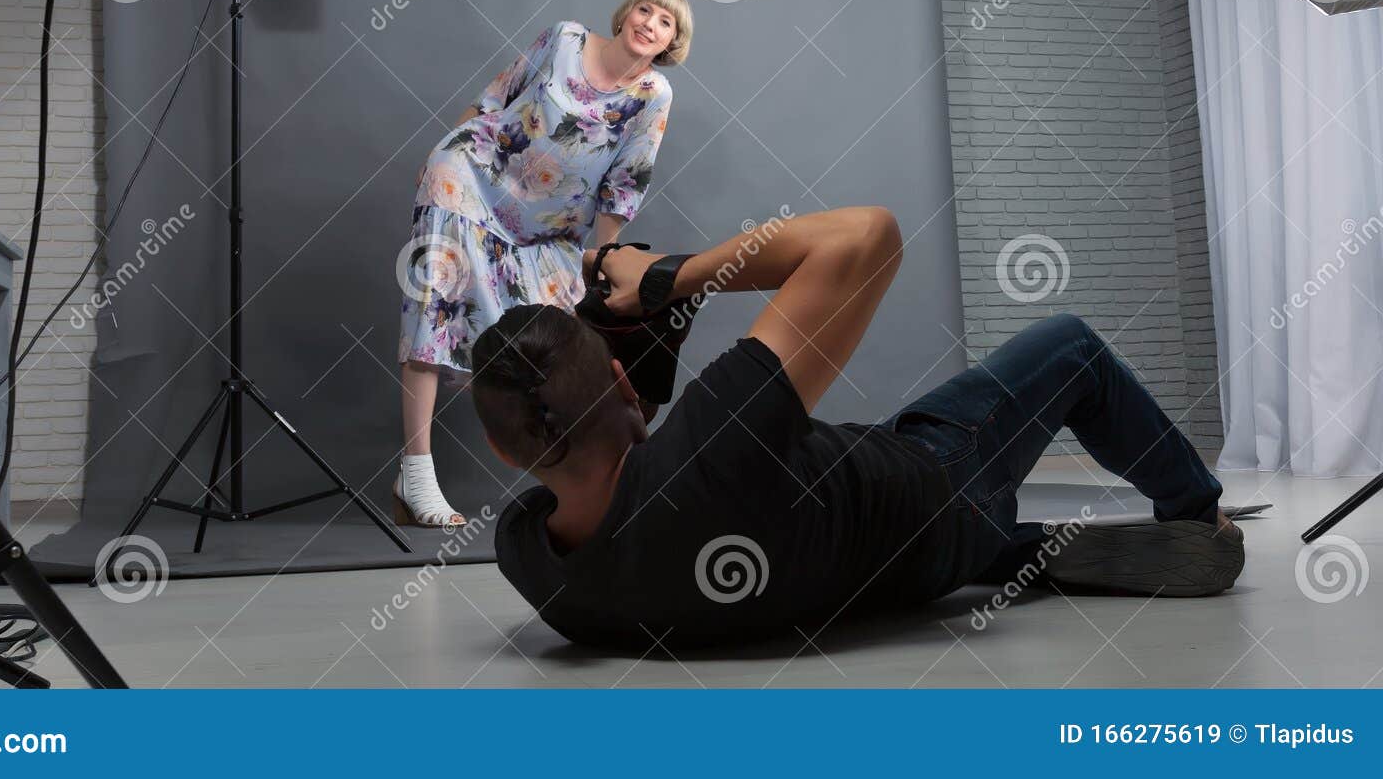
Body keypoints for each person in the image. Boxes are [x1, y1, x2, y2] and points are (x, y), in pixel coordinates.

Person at [471, 206, 1244, 649]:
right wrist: (665, 278)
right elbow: (865, 237)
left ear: (508, 449)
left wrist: (619, 393)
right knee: (1070, 346)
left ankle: (1028, 551)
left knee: (848, 481)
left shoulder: (534, 563)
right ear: (616, 378)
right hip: (942, 485)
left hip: (875, 572)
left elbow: (629, 494)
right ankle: (1194, 515)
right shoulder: (715, 442)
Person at [393, 0, 694, 529]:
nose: (649, 23)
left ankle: (585, 485)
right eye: (645, 9)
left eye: (665, 22)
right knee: (433, 307)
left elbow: (627, 179)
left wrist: (600, 257)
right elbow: (494, 98)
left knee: (558, 348)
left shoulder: (653, 95)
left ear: (672, 42)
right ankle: (417, 474)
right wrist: (441, 155)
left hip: (549, 229)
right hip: (470, 180)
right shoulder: (564, 39)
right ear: (626, 13)